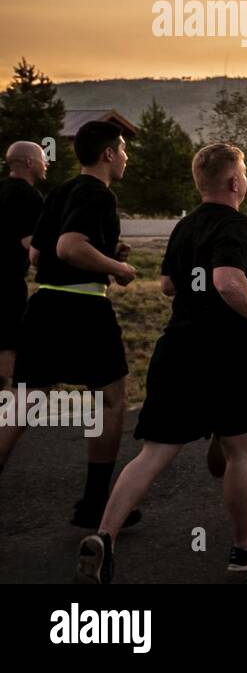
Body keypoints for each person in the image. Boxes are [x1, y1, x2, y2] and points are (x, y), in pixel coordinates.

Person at [76, 144, 247, 584]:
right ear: (234, 182)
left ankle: (104, 536)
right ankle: (244, 547)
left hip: (178, 349)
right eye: (242, 171)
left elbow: (168, 284)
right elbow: (227, 280)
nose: (243, 177)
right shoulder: (239, 226)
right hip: (226, 353)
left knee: (153, 453)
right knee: (241, 449)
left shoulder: (184, 227)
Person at [0, 122, 139, 529]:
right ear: (108, 154)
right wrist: (119, 268)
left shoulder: (59, 191)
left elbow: (39, 256)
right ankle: (94, 506)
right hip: (84, 308)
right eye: (124, 149)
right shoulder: (99, 194)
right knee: (109, 400)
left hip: (44, 305)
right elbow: (69, 247)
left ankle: (94, 505)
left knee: (23, 402)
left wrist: (105, 250)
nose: (127, 157)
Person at [0, 141, 46, 393]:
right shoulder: (28, 196)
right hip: (7, 285)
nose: (46, 163)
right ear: (29, 163)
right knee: (8, 348)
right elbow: (32, 244)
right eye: (42, 159)